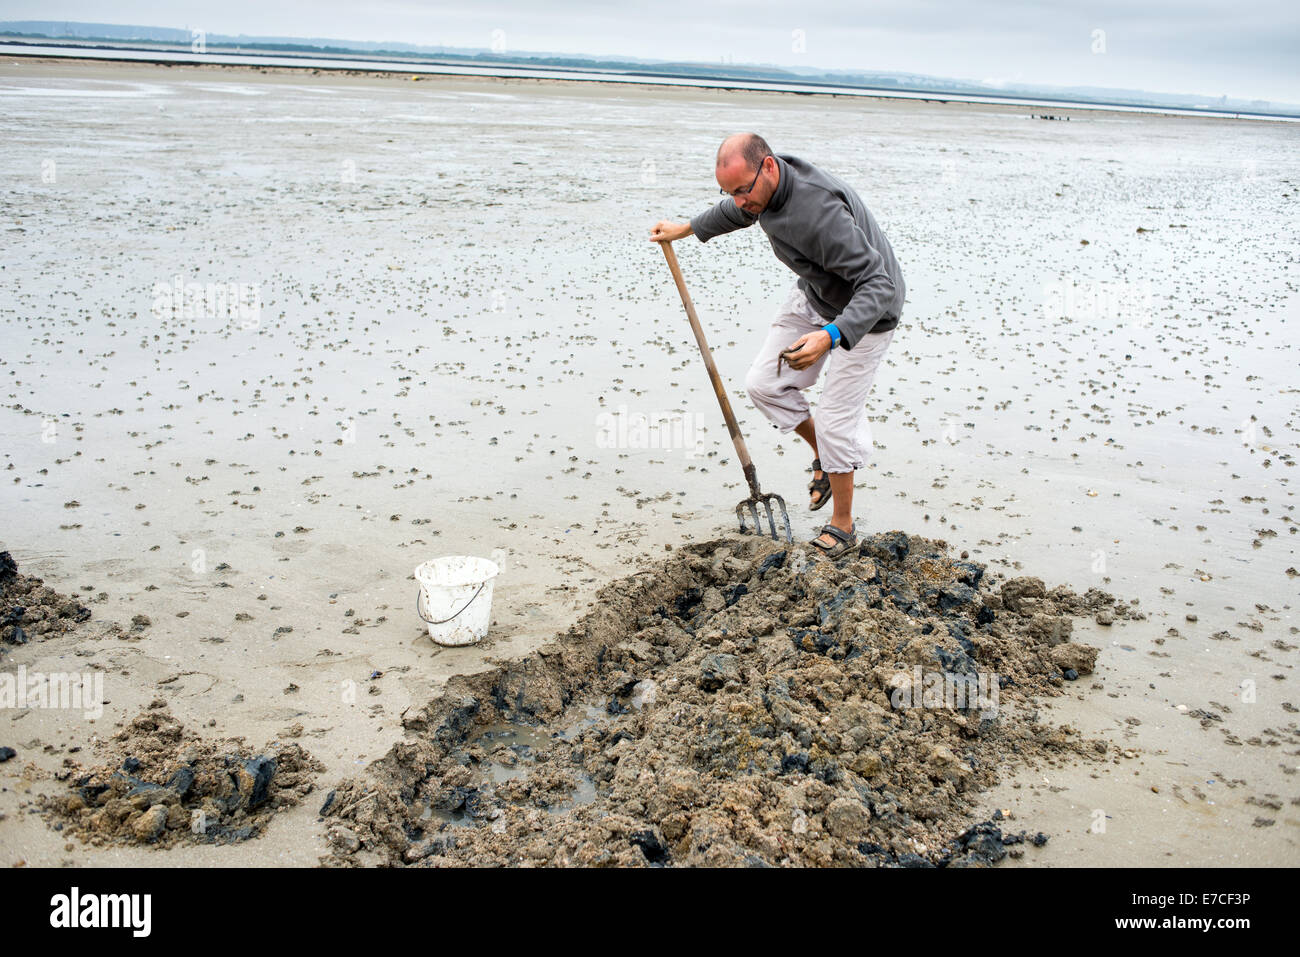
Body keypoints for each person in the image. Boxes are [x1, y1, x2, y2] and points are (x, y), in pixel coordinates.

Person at [649, 132, 906, 557]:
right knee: (764, 384)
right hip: (815, 295)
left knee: (836, 420)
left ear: (768, 167)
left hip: (870, 313)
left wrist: (831, 335)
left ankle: (843, 525)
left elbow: (878, 284)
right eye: (728, 192)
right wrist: (688, 228)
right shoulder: (763, 190)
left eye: (742, 190)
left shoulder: (819, 209)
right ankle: (825, 458)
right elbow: (739, 212)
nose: (739, 201)